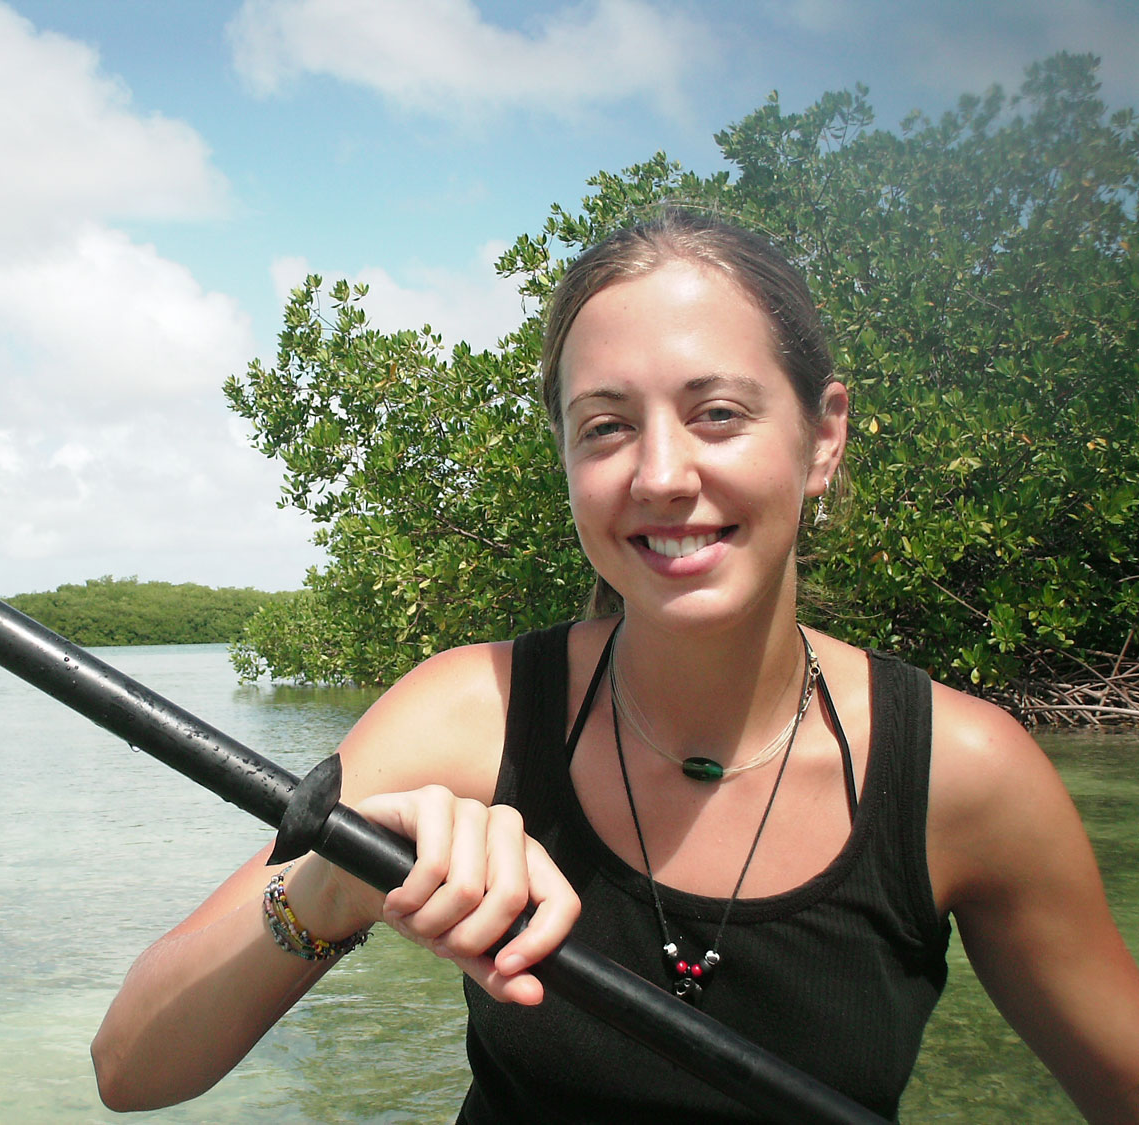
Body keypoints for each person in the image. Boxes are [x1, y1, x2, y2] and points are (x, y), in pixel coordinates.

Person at [91, 208, 1139, 1122]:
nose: (662, 473)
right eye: (605, 426)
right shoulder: (470, 714)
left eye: (718, 413)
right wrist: (331, 888)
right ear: (564, 458)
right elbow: (131, 1067)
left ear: (824, 438)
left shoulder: (963, 774)